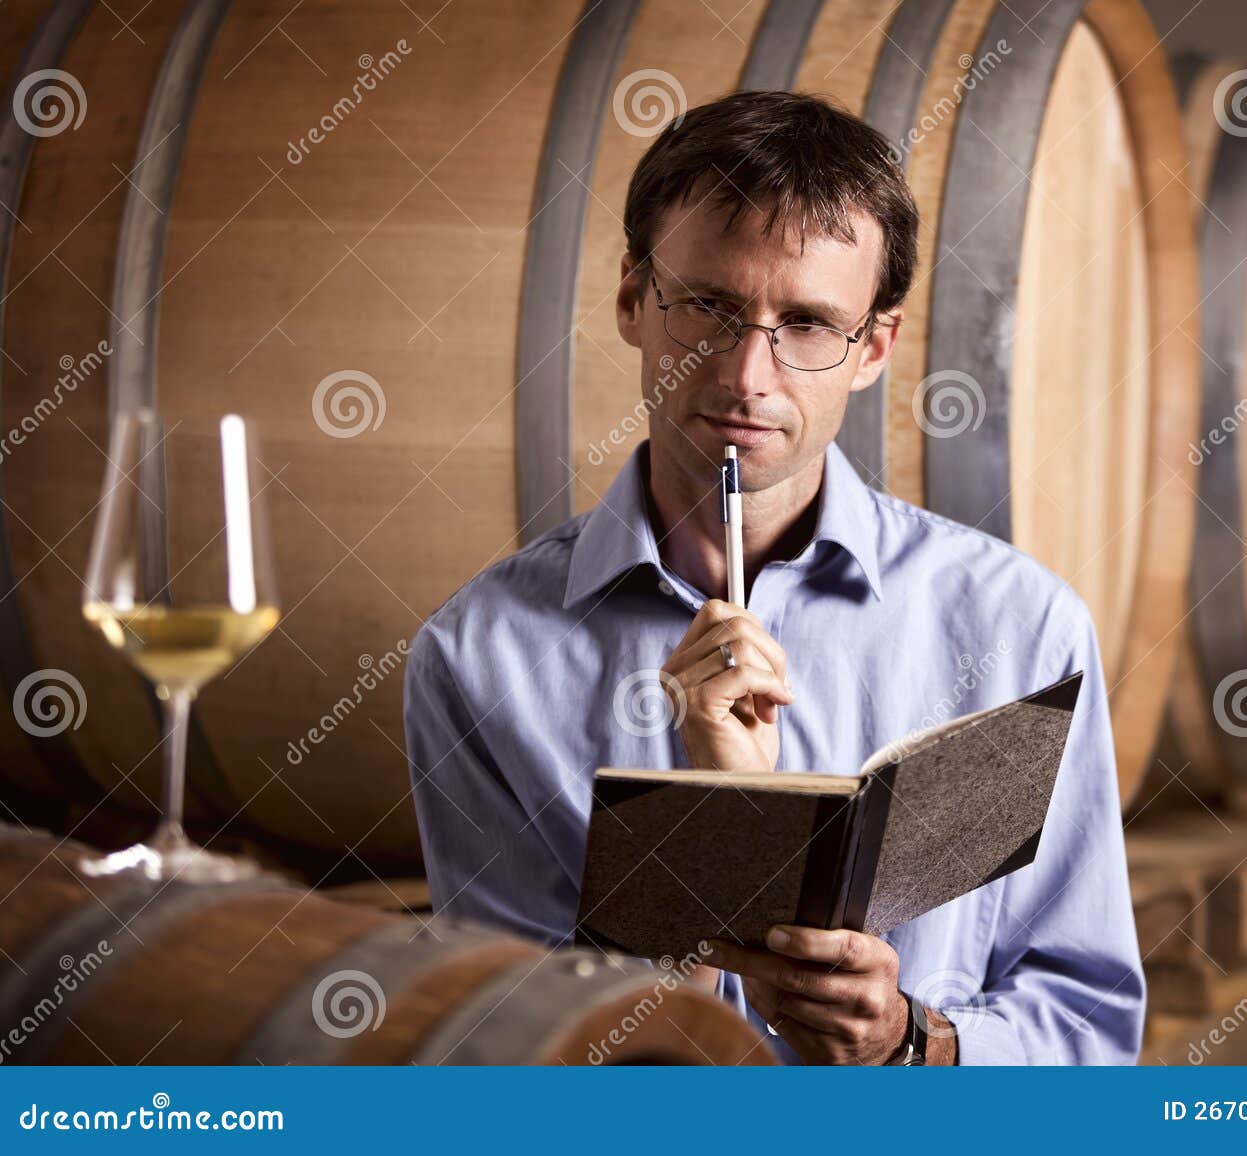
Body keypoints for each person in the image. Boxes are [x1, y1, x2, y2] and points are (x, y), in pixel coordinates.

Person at [404, 89, 1144, 1065]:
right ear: (633, 298)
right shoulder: (476, 653)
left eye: (806, 323)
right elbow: (502, 1062)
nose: (748, 375)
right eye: (708, 305)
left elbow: (1089, 1032)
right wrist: (705, 844)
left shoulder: (1021, 627)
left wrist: (910, 1042)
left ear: (873, 345)